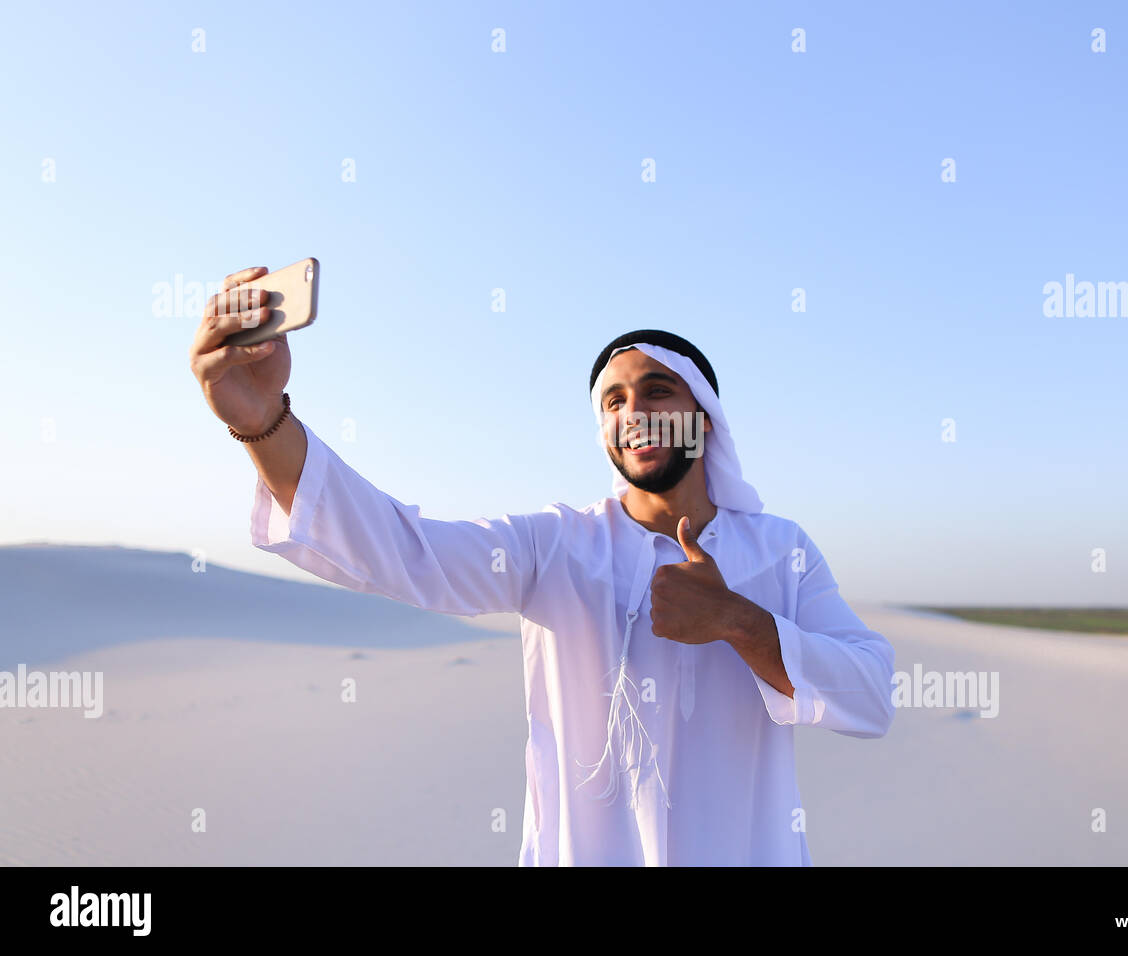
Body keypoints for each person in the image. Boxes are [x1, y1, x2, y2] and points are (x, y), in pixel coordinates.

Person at [189, 265, 897, 866]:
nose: (633, 413)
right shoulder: (553, 546)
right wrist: (261, 422)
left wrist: (740, 622)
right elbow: (402, 549)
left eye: (656, 391)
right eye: (613, 401)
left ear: (704, 414)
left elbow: (870, 695)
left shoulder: (782, 549)